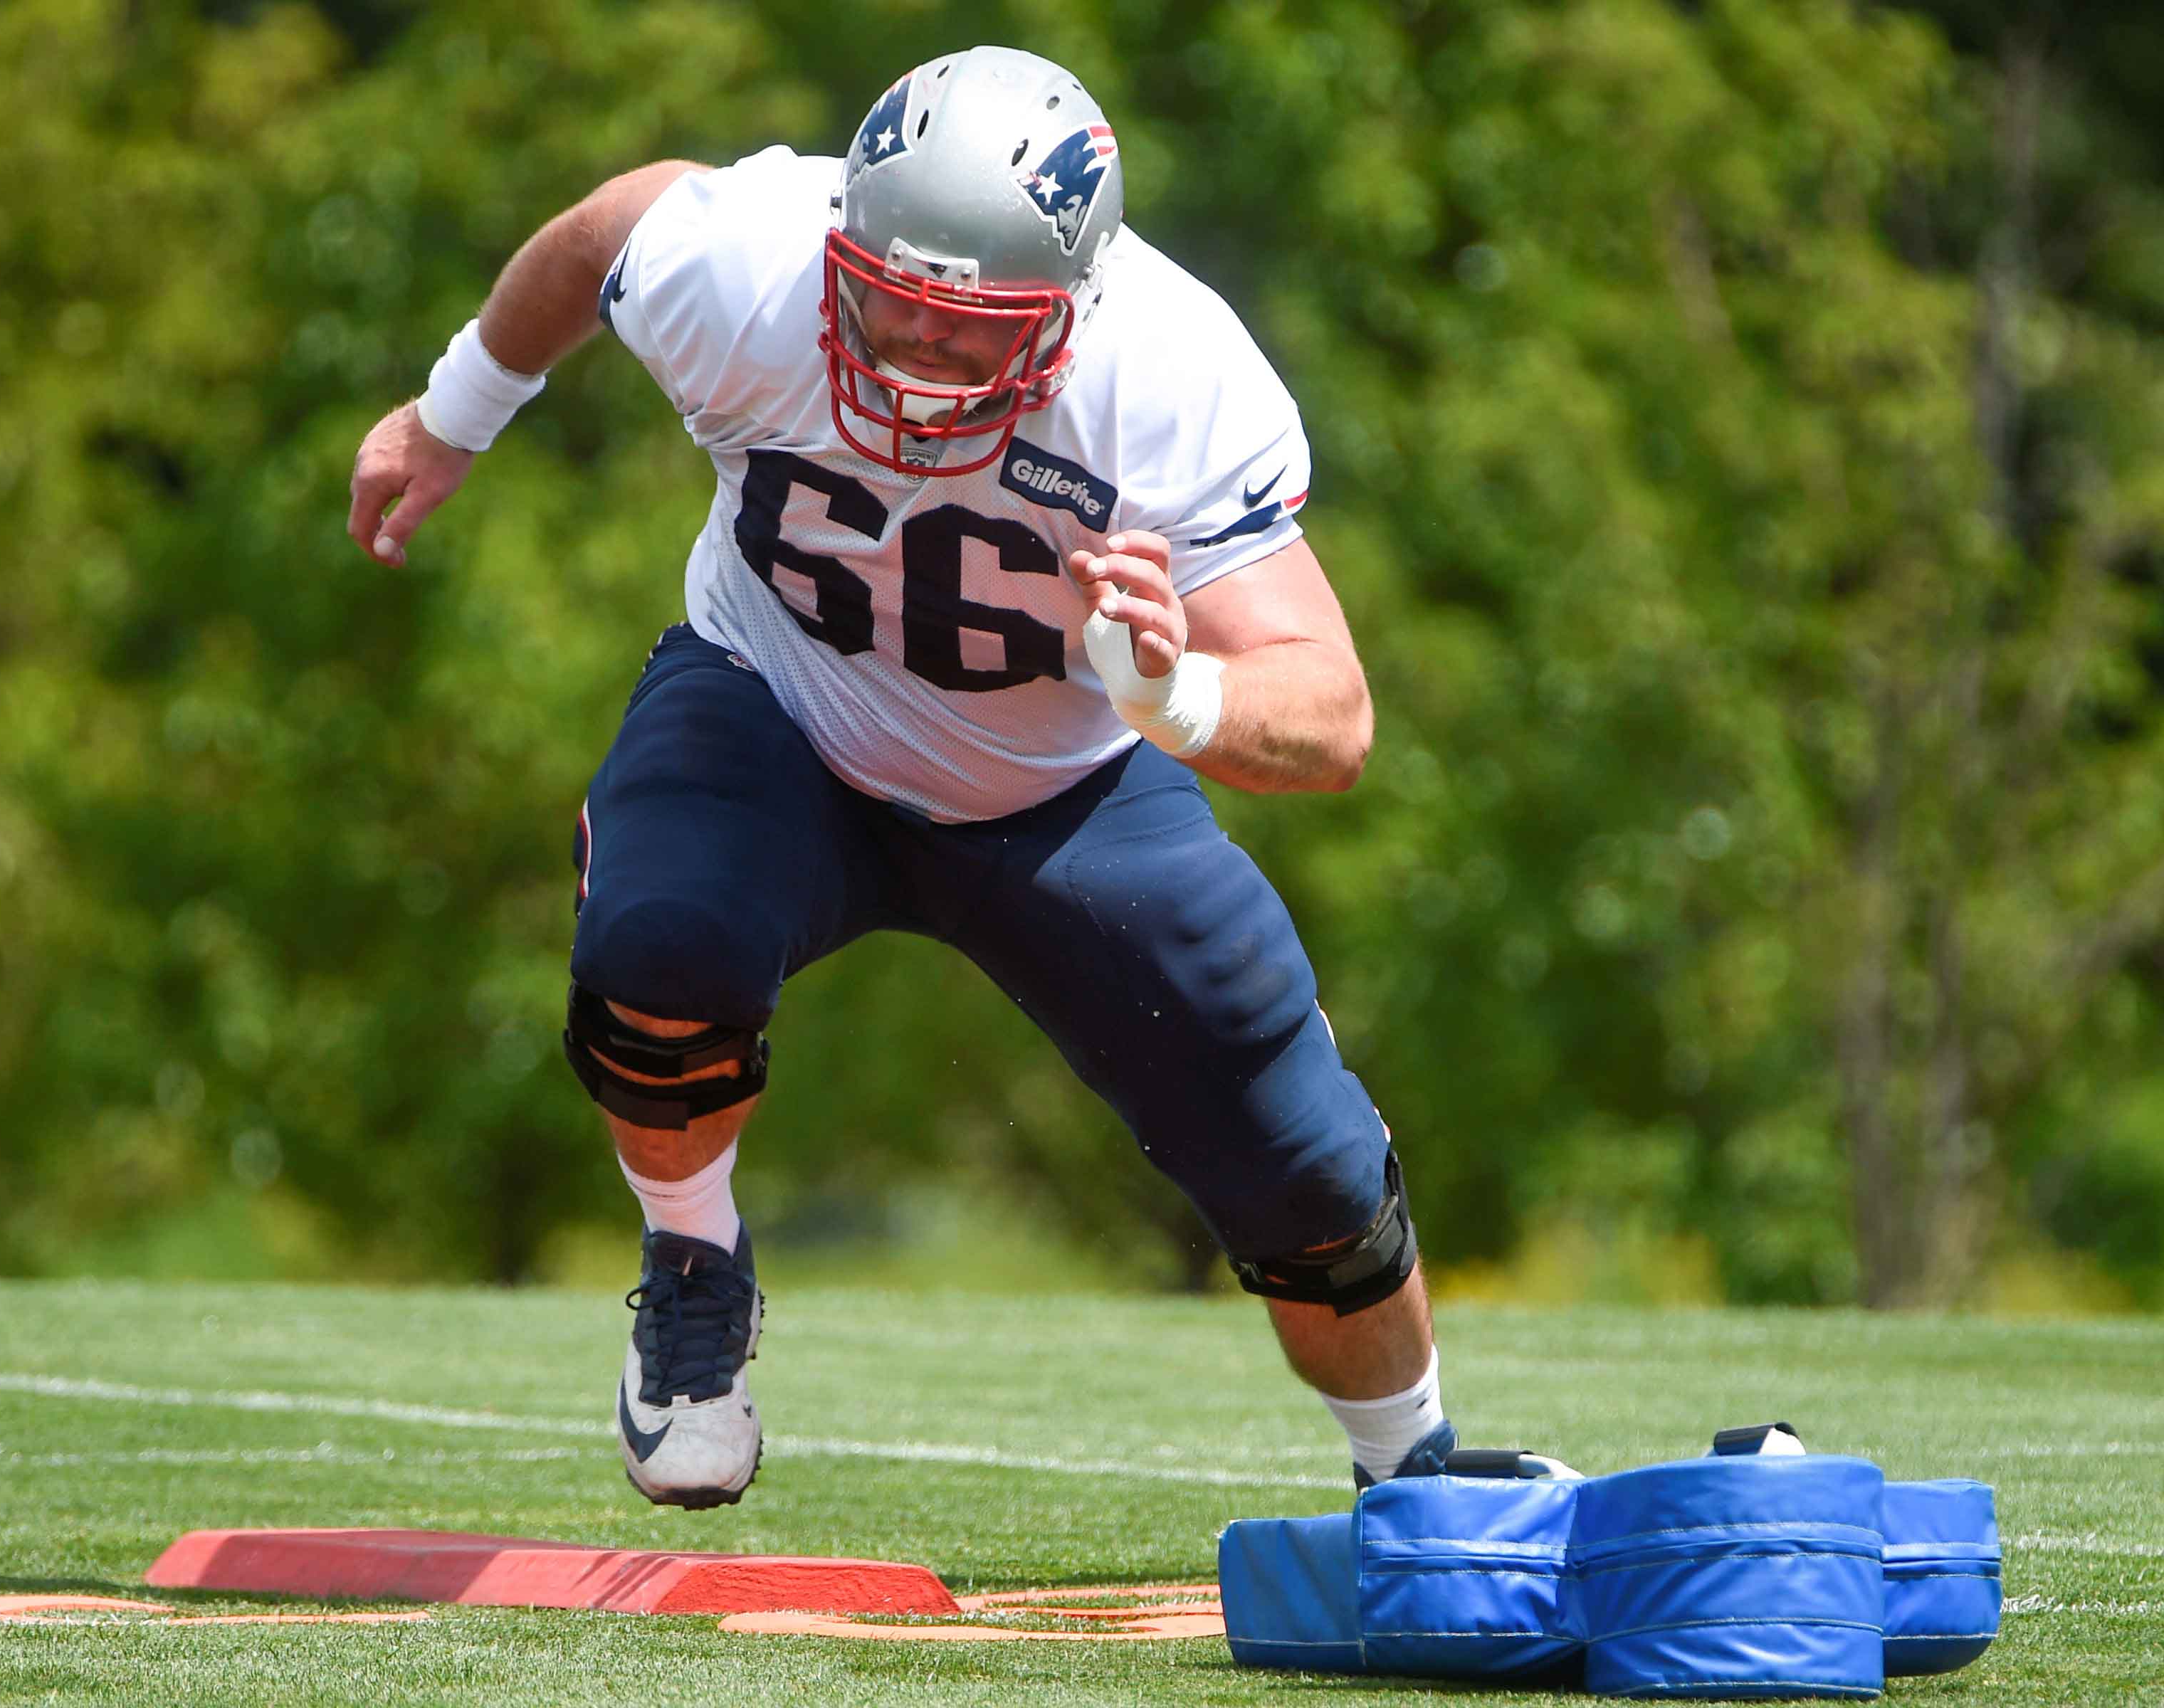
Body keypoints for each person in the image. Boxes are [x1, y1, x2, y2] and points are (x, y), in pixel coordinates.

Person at [347, 46, 1453, 1509]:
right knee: (655, 945)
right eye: (888, 305)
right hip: (779, 702)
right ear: (840, 250)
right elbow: (607, 226)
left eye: (967, 332)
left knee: (1308, 1164)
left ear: (1071, 309)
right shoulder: (743, 265)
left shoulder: (1170, 378)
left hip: (1060, 785)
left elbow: (1334, 714)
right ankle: (693, 1257)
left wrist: (1169, 687)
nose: (915, 359)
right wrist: (455, 410)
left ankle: (1417, 1486)